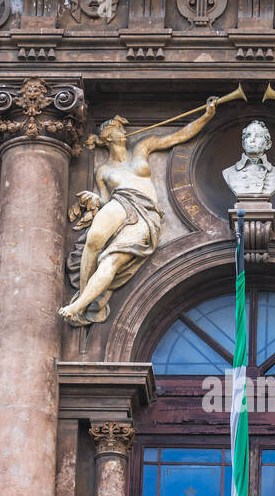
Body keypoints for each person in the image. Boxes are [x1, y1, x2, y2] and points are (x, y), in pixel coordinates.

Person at [62, 97, 218, 326]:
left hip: (145, 210)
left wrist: (207, 116)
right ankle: (83, 291)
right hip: (120, 202)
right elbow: (105, 199)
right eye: (118, 129)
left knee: (110, 260)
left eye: (124, 128)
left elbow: (178, 136)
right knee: (94, 240)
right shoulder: (104, 170)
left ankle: (80, 304)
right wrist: (95, 198)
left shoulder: (142, 148)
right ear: (107, 137)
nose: (123, 131)